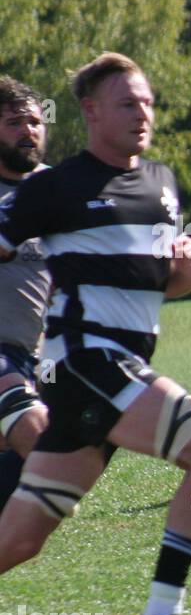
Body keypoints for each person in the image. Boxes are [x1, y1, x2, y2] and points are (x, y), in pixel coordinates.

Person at [0, 53, 191, 615]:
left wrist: (188, 273)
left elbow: (156, 279)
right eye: (129, 104)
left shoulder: (161, 183)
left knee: (20, 539)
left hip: (117, 366)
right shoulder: (51, 188)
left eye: (149, 104)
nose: (143, 114)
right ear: (90, 111)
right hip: (86, 362)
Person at [0, 76, 52, 511]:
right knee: (40, 441)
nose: (28, 130)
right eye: (14, 122)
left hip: (37, 359)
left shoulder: (61, 193)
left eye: (34, 121)